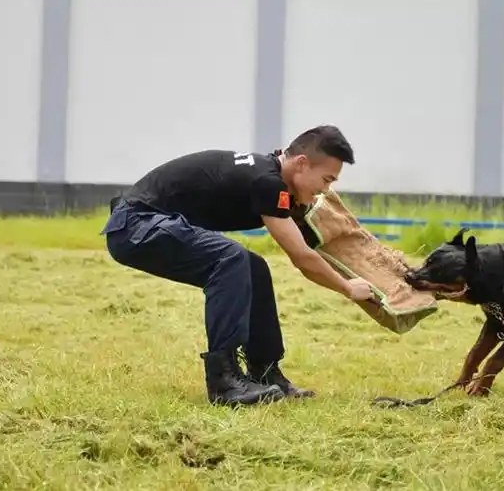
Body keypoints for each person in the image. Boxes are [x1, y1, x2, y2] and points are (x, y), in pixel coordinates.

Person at [100, 125, 374, 406]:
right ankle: (224, 382)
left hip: (145, 225)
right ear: (302, 163)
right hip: (135, 226)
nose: (325, 190)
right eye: (326, 179)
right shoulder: (268, 182)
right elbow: (301, 257)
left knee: (253, 268)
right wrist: (347, 288)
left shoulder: (273, 177)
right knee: (230, 258)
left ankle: (265, 373)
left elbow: (322, 244)